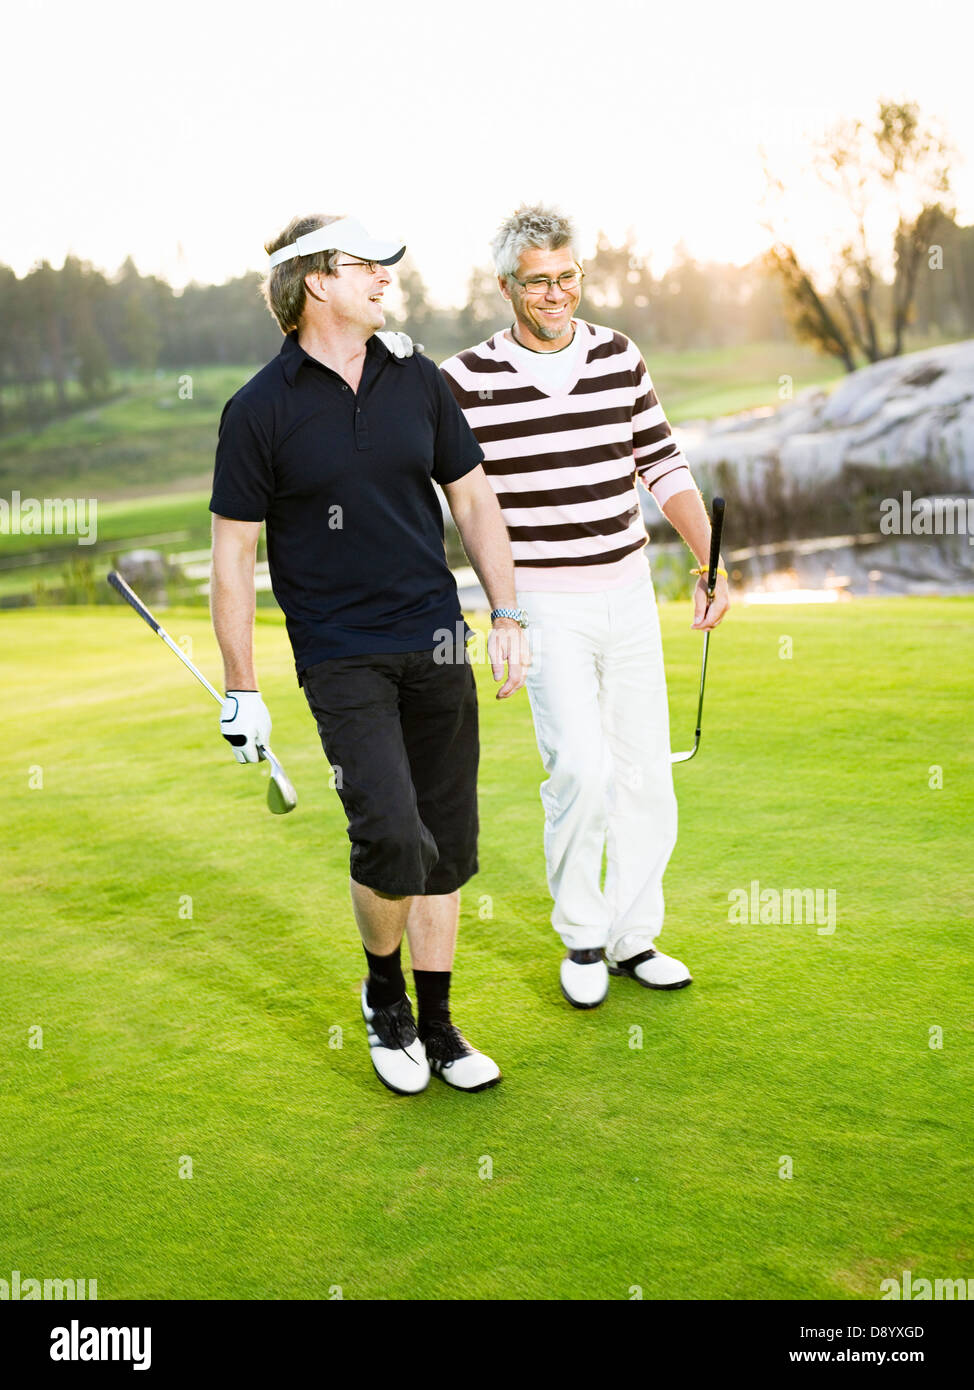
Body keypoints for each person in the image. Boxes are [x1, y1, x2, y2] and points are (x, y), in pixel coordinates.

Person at [209, 213, 529, 1093]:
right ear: (315, 281)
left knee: (447, 843)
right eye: (367, 265)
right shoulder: (257, 411)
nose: (389, 276)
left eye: (390, 265)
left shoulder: (418, 379)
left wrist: (508, 615)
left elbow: (473, 501)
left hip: (435, 638)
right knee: (390, 835)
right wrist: (242, 688)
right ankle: (384, 998)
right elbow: (233, 558)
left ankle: (440, 1025)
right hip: (340, 654)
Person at [440, 205, 729, 1010]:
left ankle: (635, 937)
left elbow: (663, 467)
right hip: (542, 601)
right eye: (539, 282)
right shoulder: (463, 380)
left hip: (628, 591)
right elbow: (455, 496)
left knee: (646, 775)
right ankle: (582, 936)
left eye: (568, 277)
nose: (558, 294)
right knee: (580, 768)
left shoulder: (616, 355)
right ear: (505, 286)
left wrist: (708, 560)